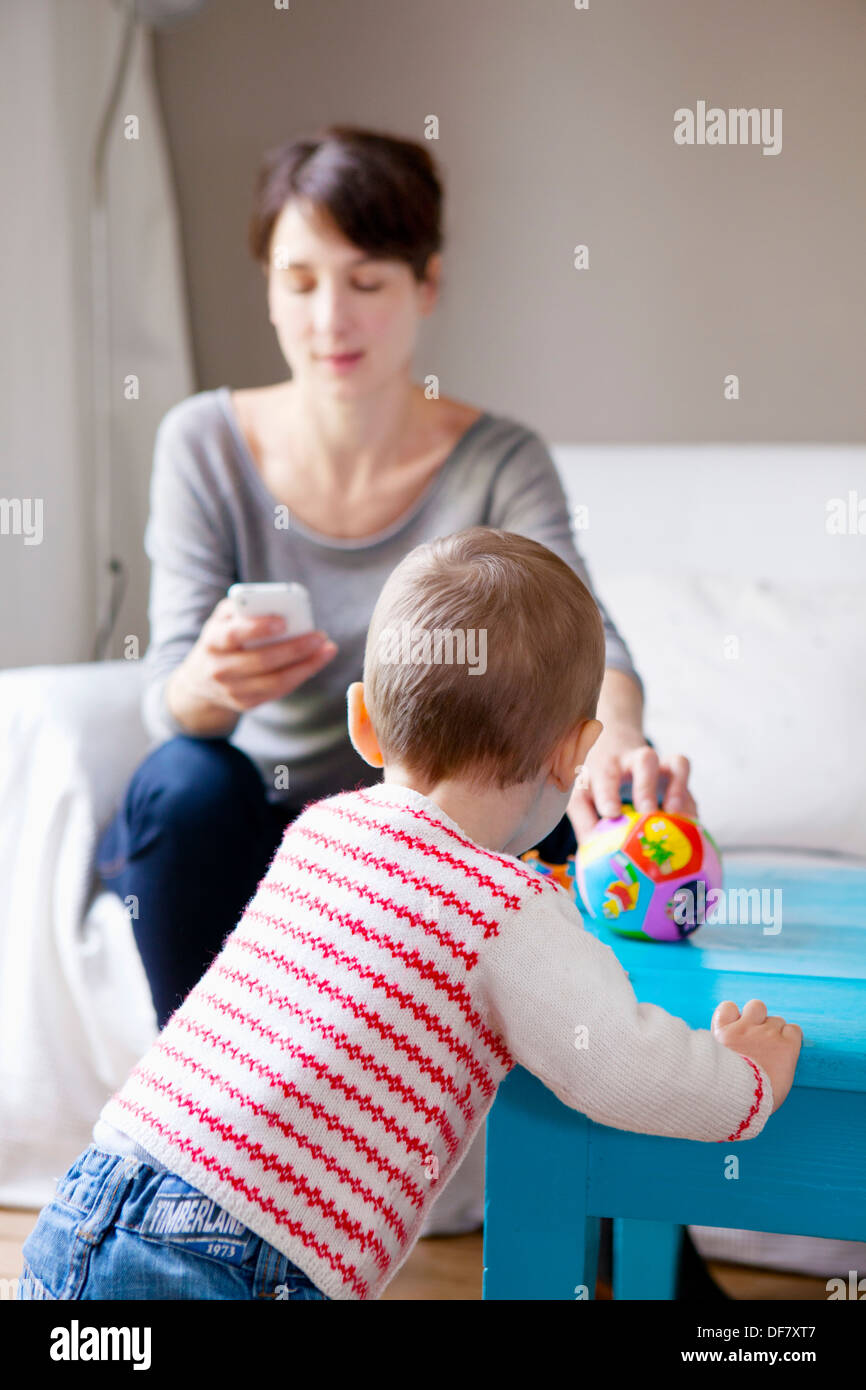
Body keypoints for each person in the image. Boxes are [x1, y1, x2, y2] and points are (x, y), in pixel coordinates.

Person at [93, 123, 698, 1271]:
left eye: (366, 282)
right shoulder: (202, 445)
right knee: (180, 777)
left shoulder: (495, 456)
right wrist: (203, 685)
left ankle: (616, 1225)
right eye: (300, 281)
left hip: (453, 827)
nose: (331, 318)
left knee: (584, 809)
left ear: (424, 285)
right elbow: (162, 698)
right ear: (266, 289)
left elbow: (591, 633)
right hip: (280, 840)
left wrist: (611, 745)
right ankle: (214, 1178)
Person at [20, 529, 802, 1301]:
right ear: (576, 753)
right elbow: (622, 1069)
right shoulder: (510, 909)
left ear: (364, 723)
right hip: (232, 1257)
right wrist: (743, 1082)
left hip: (94, 1194)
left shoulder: (319, 832)